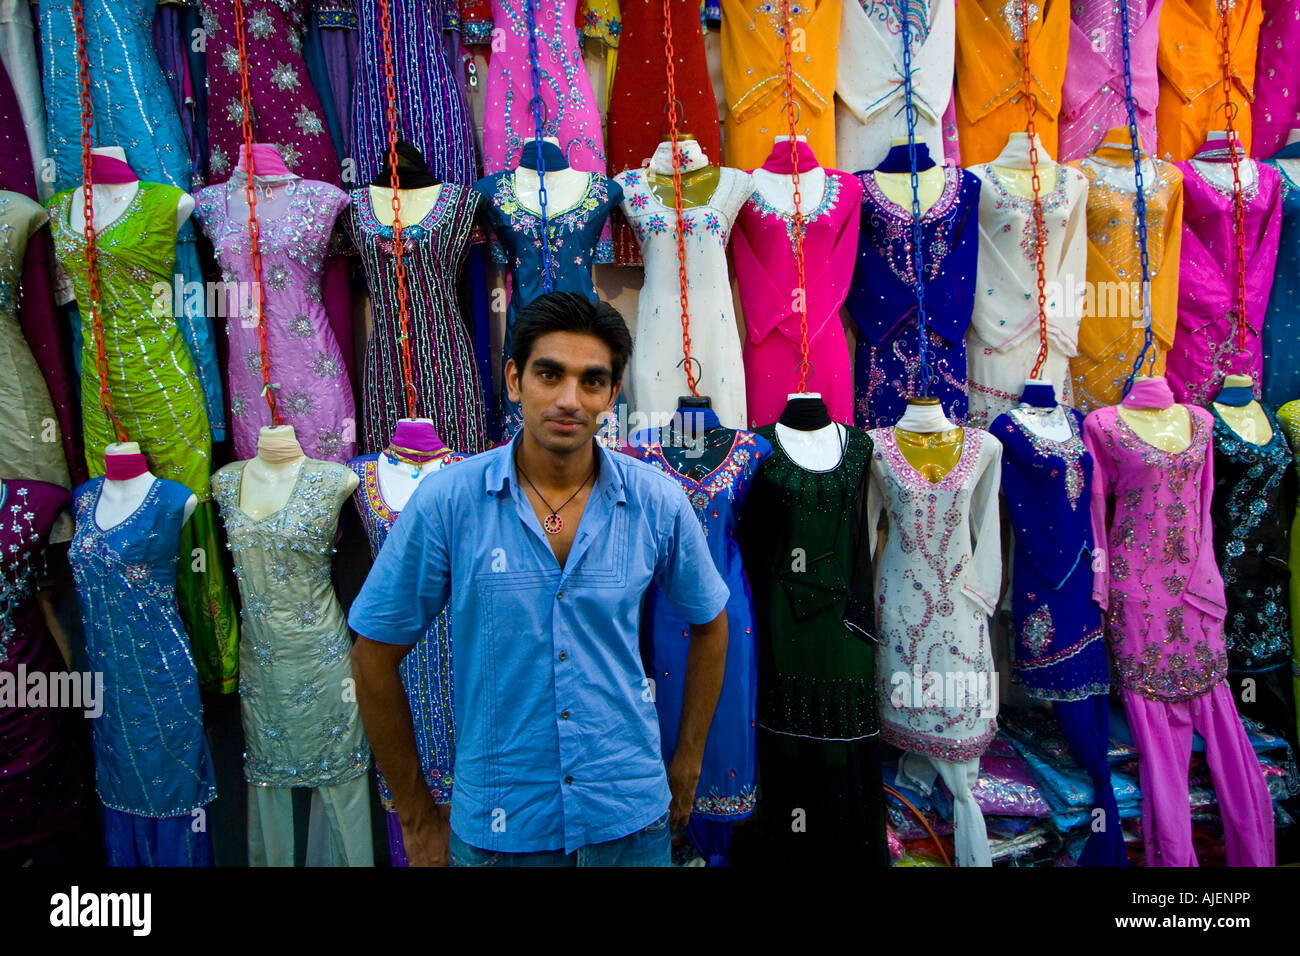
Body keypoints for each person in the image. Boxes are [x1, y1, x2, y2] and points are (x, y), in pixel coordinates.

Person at [348, 291, 730, 867]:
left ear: (612, 394)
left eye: (592, 381)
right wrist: (416, 813)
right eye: (549, 374)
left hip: (627, 820)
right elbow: (372, 656)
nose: (569, 399)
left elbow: (711, 622)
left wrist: (688, 761)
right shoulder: (449, 502)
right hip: (501, 830)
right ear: (513, 380)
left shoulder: (656, 501)